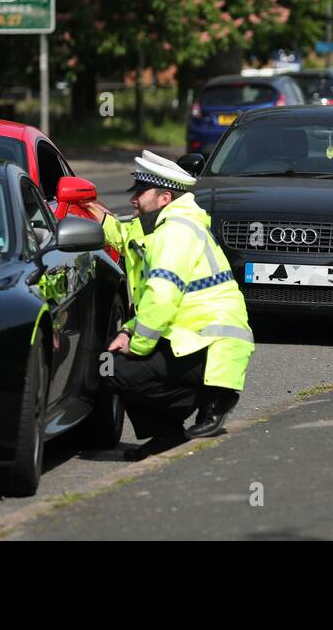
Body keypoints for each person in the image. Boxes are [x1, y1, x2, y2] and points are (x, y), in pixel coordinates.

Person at [101, 151, 255, 460]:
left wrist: (137, 343)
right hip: (193, 338)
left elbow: (161, 297)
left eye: (140, 192)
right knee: (114, 363)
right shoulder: (171, 225)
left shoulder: (174, 233)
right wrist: (130, 330)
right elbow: (160, 298)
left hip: (210, 345)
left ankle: (214, 397)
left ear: (163, 198)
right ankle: (168, 432)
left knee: (113, 367)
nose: (133, 199)